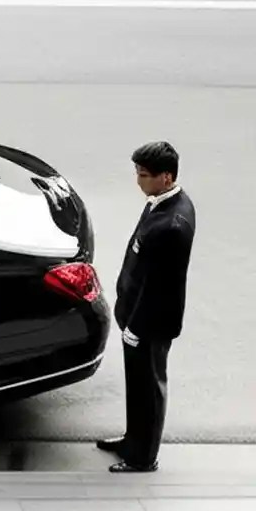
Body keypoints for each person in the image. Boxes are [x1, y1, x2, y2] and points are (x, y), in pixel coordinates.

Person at [99, 141, 196, 473]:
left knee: (150, 389)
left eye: (144, 175)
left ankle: (143, 457)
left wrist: (135, 329)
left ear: (165, 177)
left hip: (149, 322)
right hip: (136, 312)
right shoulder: (160, 202)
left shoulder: (172, 226)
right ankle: (132, 439)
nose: (138, 181)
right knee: (137, 385)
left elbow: (159, 289)